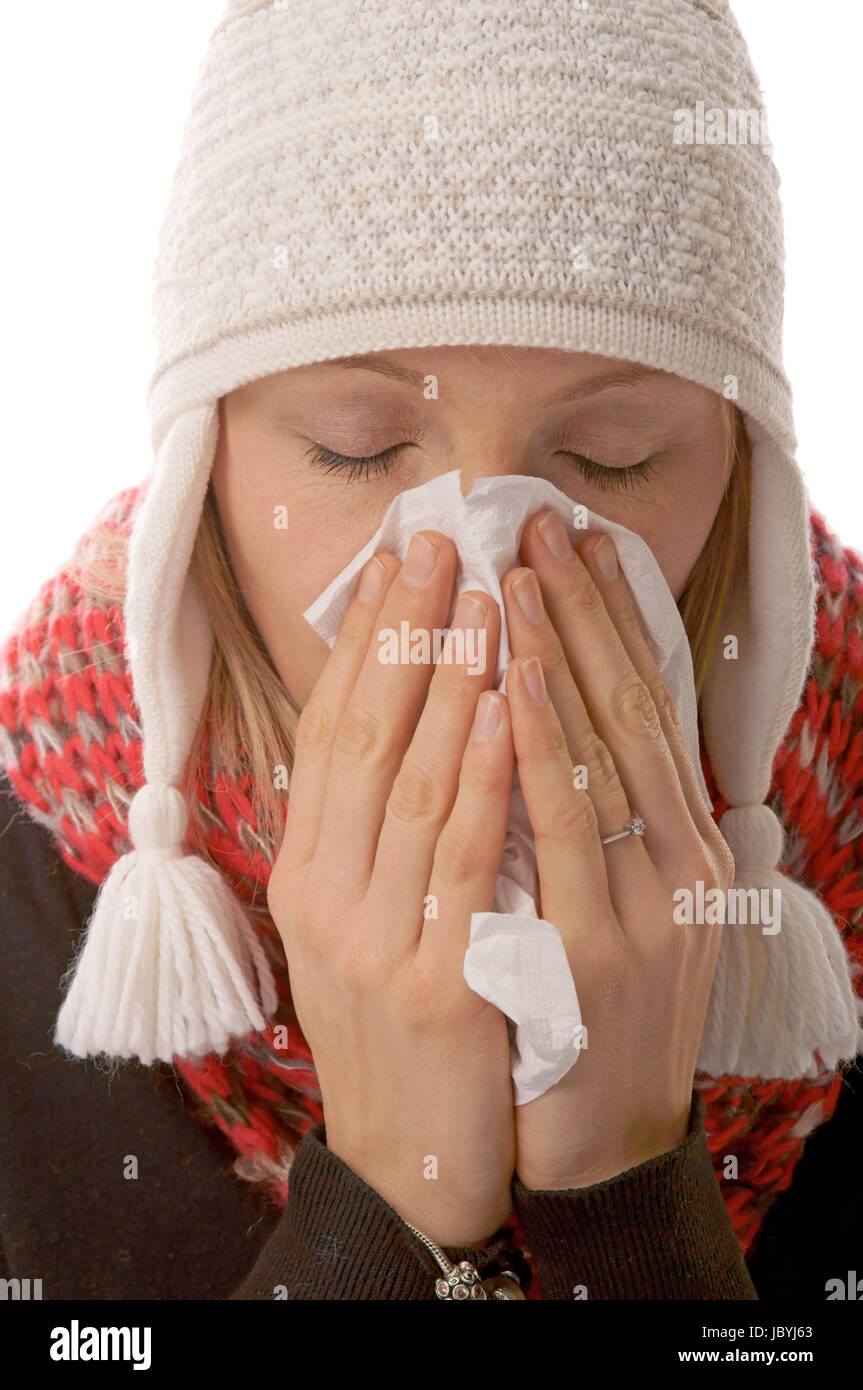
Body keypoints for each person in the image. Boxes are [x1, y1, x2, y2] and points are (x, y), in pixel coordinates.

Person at [0, 0, 861, 1302]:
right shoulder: (27, 887)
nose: (482, 569)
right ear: (204, 466)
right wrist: (385, 1210)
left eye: (613, 454)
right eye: (353, 443)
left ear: (738, 462)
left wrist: (628, 1196)